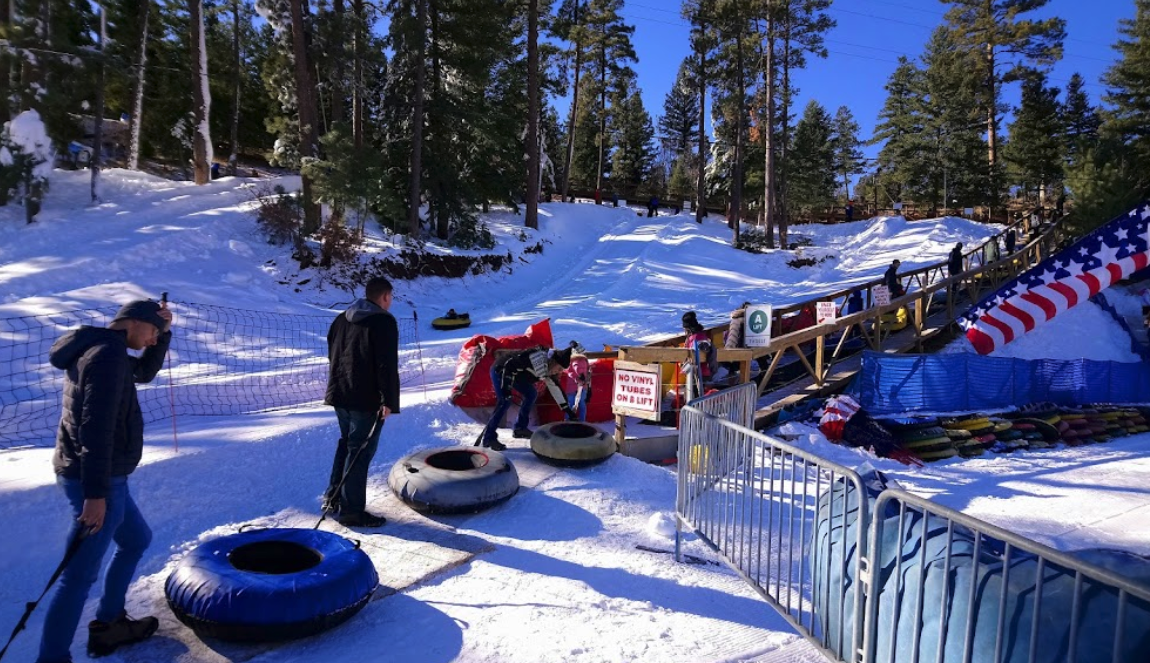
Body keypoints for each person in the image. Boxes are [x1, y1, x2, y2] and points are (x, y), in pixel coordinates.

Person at [37, 298, 173, 663]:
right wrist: (95, 496)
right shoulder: (107, 358)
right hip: (96, 478)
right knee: (77, 577)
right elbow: (94, 430)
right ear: (130, 323)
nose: (153, 339)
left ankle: (109, 623)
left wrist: (165, 334)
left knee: (136, 539)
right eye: (152, 332)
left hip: (100, 475)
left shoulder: (102, 347)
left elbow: (142, 373)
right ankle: (52, 659)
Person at [323, 276, 400, 529]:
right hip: (366, 399)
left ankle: (333, 498)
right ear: (385, 297)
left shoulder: (341, 318)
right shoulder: (383, 322)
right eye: (391, 298)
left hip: (340, 392)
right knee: (360, 452)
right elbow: (386, 364)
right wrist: (388, 399)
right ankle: (352, 510)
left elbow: (331, 351)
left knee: (347, 444)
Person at [482, 345, 575, 450]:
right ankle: (489, 438)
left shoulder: (549, 370)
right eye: (559, 368)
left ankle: (520, 428)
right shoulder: (533, 358)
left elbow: (556, 390)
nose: (558, 372)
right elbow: (508, 366)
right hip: (501, 370)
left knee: (531, 393)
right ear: (553, 362)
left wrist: (567, 409)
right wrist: (506, 389)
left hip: (517, 375)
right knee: (505, 401)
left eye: (561, 370)